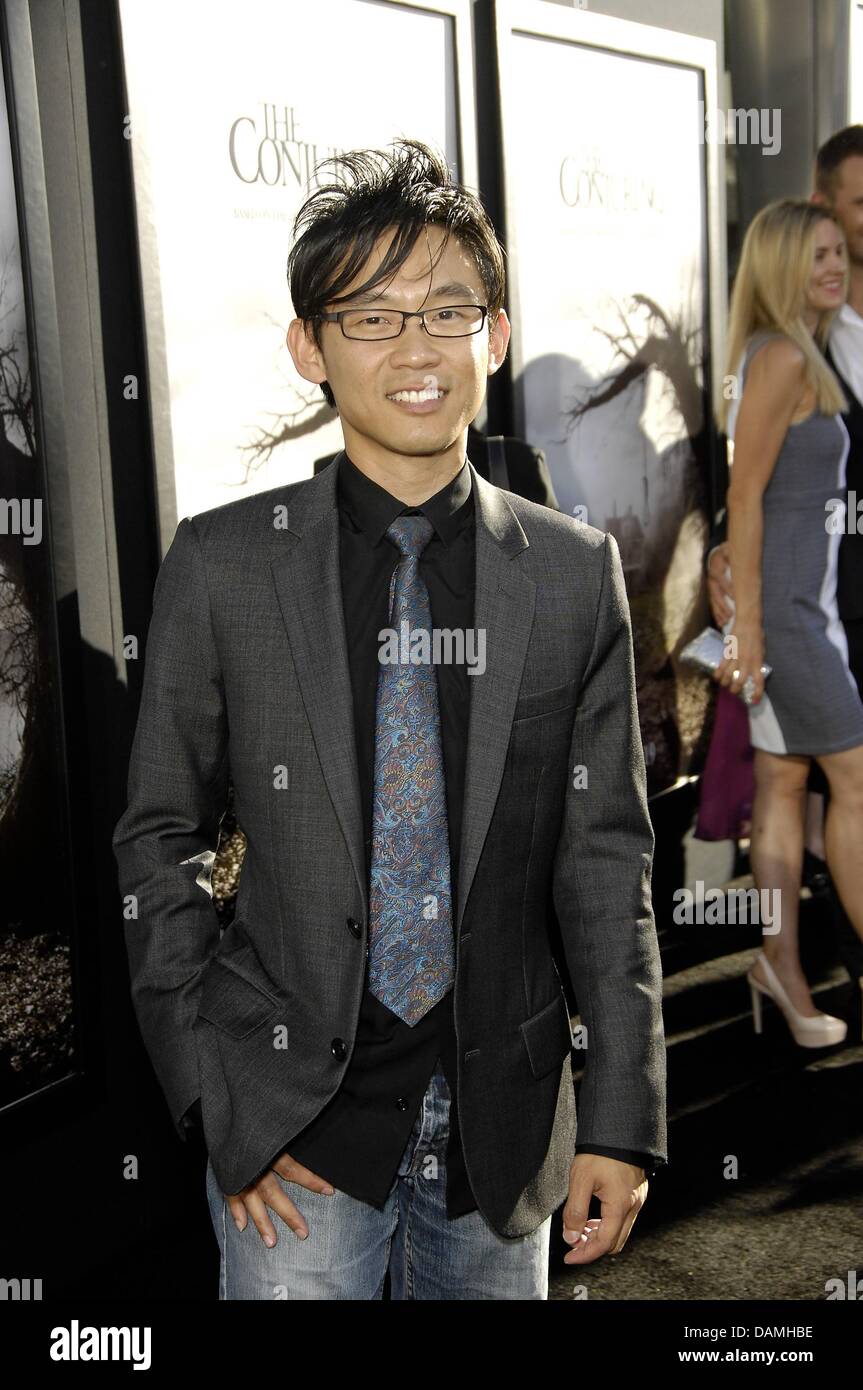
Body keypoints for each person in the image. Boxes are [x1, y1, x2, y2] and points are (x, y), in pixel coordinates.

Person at [112, 139, 666, 1301]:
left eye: (446, 309)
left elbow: (603, 858)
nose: (415, 347)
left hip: (500, 1140)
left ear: (495, 335)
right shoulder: (224, 567)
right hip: (295, 1140)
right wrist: (213, 1093)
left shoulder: (571, 574)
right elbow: (156, 840)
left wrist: (620, 1117)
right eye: (368, 316)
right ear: (309, 347)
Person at [709, 128, 863, 1027]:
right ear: (778, 263)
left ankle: (780, 972)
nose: (835, 266)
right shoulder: (774, 358)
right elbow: (745, 493)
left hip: (808, 613)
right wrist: (752, 630)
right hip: (791, 623)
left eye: (839, 252)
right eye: (818, 255)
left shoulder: (796, 354)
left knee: (783, 787)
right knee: (853, 780)